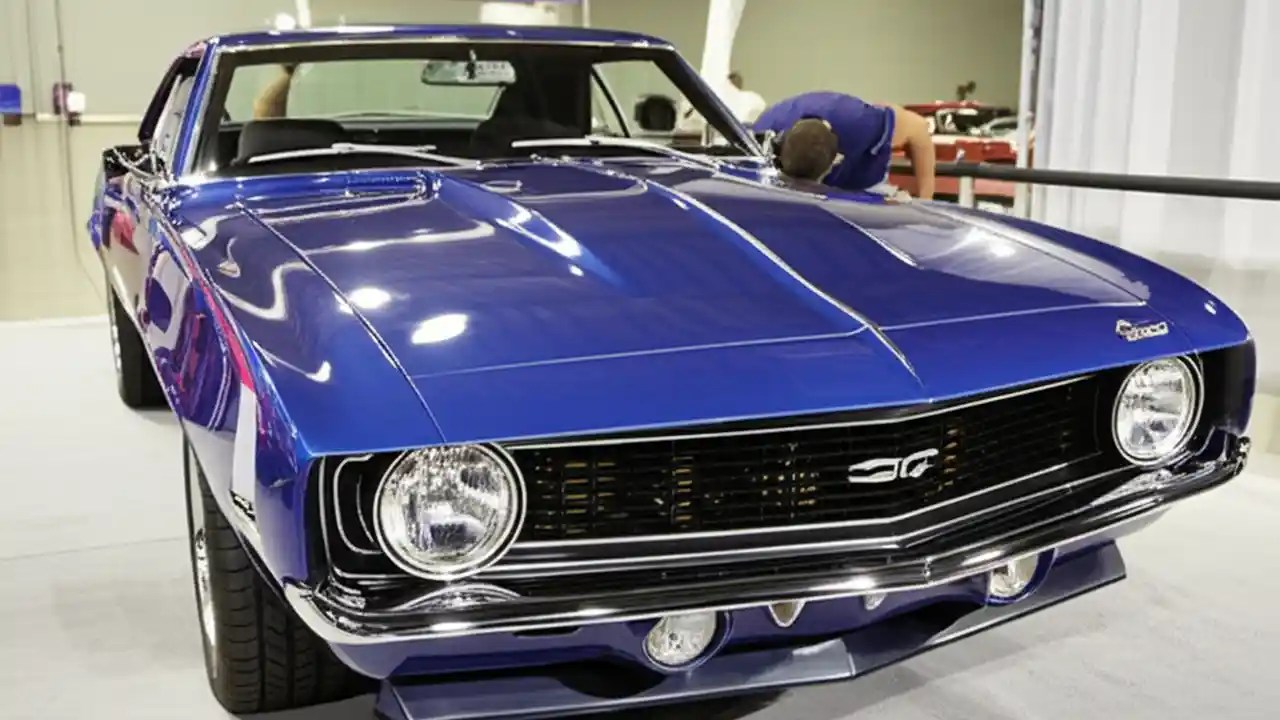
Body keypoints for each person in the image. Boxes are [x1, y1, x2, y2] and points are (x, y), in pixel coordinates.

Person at [754, 92, 936, 200]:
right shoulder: (757, 145)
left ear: (837, 159)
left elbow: (918, 128)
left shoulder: (859, 121)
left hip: (862, 180)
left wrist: (925, 200)